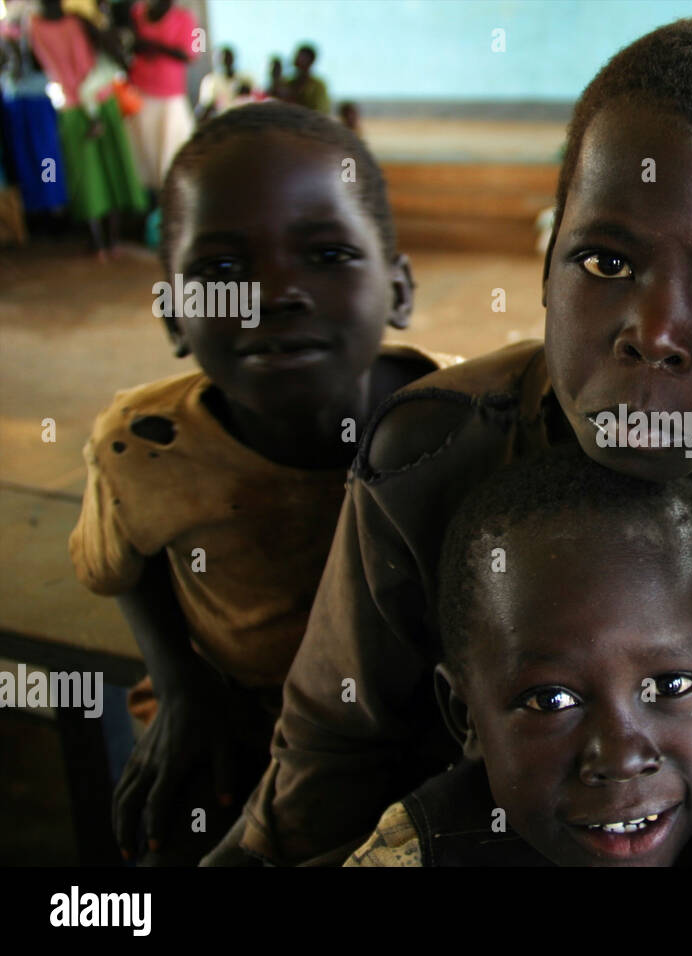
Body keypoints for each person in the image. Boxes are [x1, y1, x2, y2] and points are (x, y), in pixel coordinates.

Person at [206, 14, 692, 868]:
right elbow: (337, 744)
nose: (653, 332)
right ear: (547, 264)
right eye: (605, 263)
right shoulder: (429, 455)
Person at [68, 101, 458, 865]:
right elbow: (119, 563)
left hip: (427, 724)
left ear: (400, 289)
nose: (273, 294)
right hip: (240, 717)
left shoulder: (465, 426)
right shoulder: (142, 448)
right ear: (175, 317)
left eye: (328, 254)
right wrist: (179, 686)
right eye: (218, 270)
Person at [347, 448, 692, 866]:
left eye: (670, 686)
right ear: (466, 717)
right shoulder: (417, 855)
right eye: (551, 700)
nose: (621, 759)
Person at [27, 0, 146, 256]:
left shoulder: (55, 24)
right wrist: (91, 111)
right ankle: (106, 243)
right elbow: (73, 65)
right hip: (91, 104)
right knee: (98, 173)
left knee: (99, 173)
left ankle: (105, 244)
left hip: (84, 105)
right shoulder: (57, 24)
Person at [126, 0, 196, 191]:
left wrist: (155, 46)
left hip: (170, 96)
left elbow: (190, 54)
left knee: (171, 154)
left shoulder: (184, 17)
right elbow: (130, 45)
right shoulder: (137, 12)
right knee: (144, 155)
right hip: (140, 94)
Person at [196, 45, 252, 122]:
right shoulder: (211, 81)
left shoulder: (245, 79)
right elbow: (205, 107)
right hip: (223, 122)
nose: (226, 62)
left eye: (228, 58)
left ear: (233, 59)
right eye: (222, 59)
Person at [283, 43, 328, 115]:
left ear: (311, 61)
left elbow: (321, 111)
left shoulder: (318, 85)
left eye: (302, 56)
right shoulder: (288, 83)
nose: (297, 58)